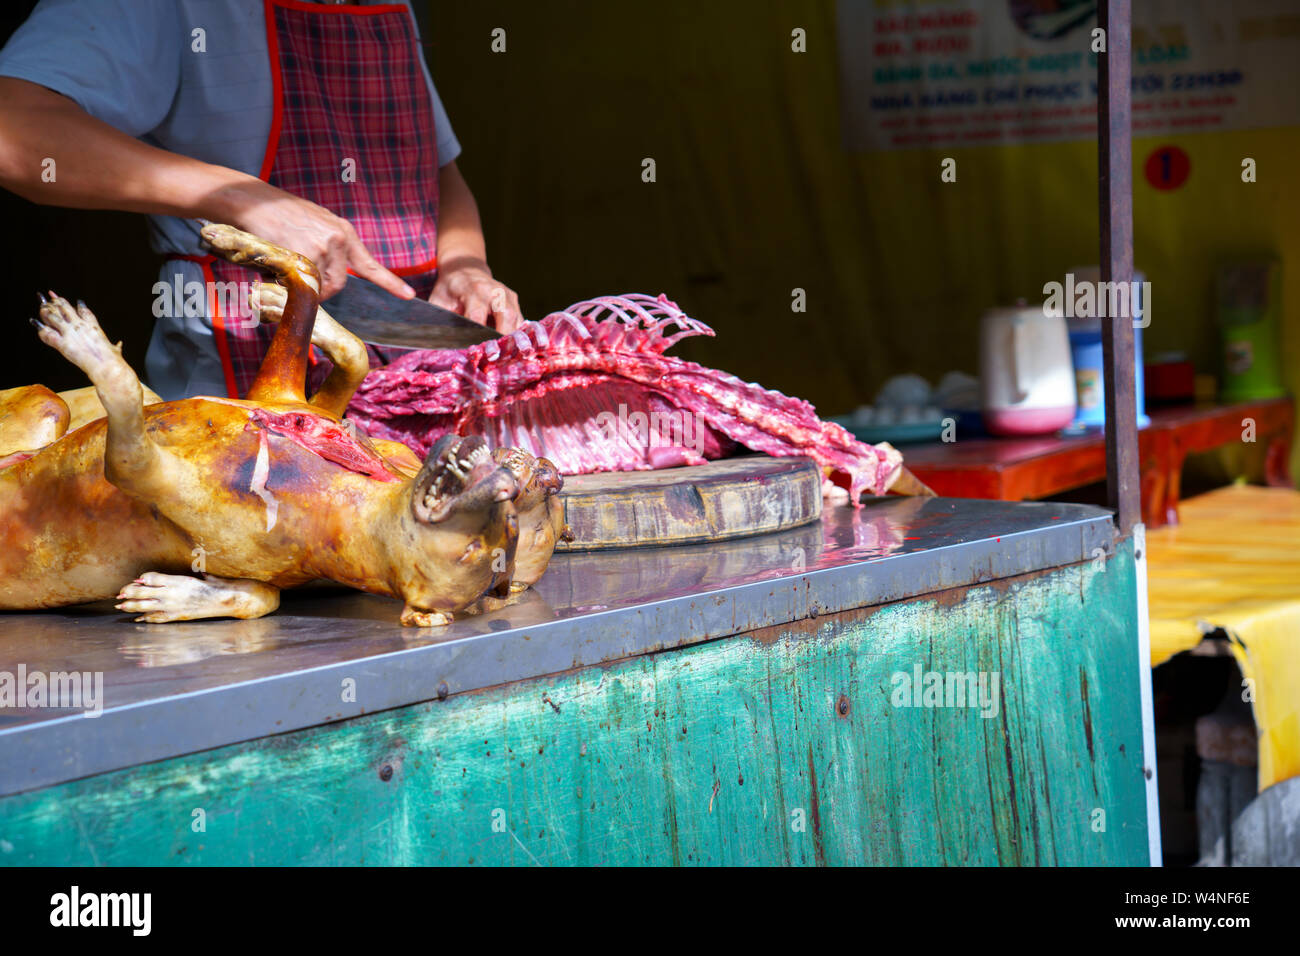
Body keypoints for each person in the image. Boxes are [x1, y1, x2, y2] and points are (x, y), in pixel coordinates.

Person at [0, 0, 523, 401]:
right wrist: (245, 199)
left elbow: (440, 169)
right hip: (241, 398)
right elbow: (12, 131)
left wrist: (464, 264)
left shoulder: (392, 5)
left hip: (421, 382)